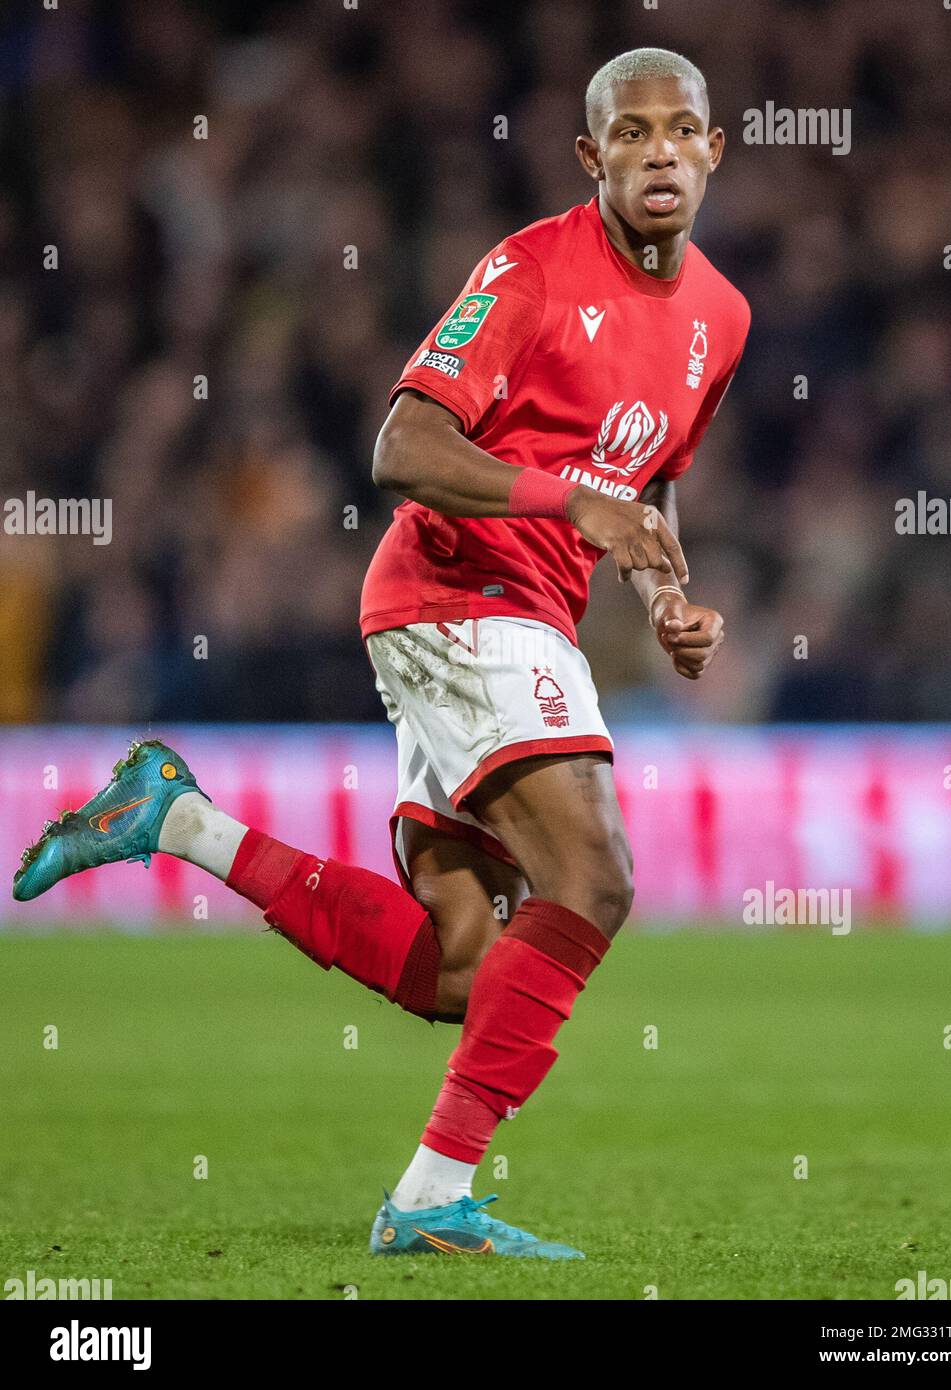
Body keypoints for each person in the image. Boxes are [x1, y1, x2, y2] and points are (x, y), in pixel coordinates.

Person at [15, 48, 748, 1260]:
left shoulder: (719, 321)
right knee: (595, 880)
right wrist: (572, 506)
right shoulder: (528, 269)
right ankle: (426, 1199)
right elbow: (400, 447)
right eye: (630, 134)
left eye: (680, 131)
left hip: (528, 613)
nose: (658, 151)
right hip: (457, 591)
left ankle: (180, 821)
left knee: (467, 967)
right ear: (592, 157)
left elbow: (649, 485)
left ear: (714, 151)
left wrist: (667, 594)